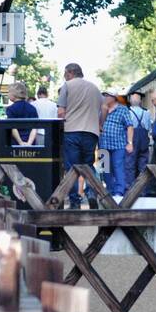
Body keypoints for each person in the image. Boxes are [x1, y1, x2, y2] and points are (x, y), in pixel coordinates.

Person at [56, 63, 102, 209]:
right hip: (91, 132)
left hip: (72, 131)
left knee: (72, 168)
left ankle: (75, 202)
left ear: (70, 73)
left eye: (65, 73)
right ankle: (92, 194)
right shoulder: (95, 88)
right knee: (89, 165)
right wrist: (99, 125)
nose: (64, 76)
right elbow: (103, 109)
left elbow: (61, 112)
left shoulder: (67, 86)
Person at [98, 91, 135, 199]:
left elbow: (130, 126)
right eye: (103, 95)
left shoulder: (122, 110)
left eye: (106, 96)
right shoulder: (100, 109)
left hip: (118, 145)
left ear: (114, 98)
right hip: (103, 145)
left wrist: (130, 143)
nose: (104, 97)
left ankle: (119, 191)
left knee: (118, 167)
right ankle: (110, 190)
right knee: (105, 169)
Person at [127, 89, 153, 182]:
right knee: (143, 163)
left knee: (130, 163)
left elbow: (127, 127)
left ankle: (130, 186)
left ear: (130, 101)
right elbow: (149, 127)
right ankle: (143, 188)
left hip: (132, 138)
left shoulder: (128, 112)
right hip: (144, 139)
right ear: (140, 101)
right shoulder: (146, 112)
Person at [4, 82, 39, 147]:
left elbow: (13, 127)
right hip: (30, 143)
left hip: (15, 143)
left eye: (9, 92)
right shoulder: (32, 108)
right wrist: (29, 143)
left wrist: (20, 142)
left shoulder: (11, 109)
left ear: (14, 94)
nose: (7, 94)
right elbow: (35, 128)